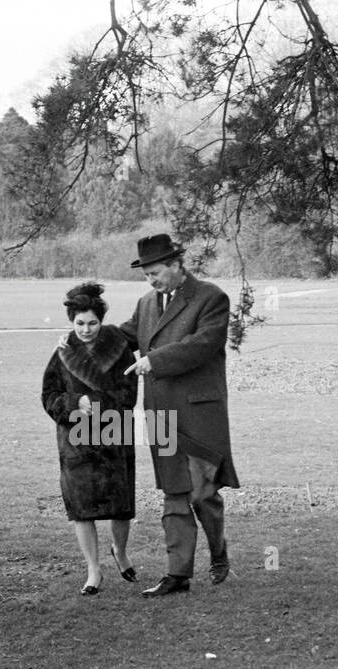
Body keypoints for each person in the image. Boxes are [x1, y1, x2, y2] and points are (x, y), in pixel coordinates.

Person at [118, 234, 240, 597]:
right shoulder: (146, 303)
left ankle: (218, 552)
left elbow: (202, 345)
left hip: (199, 414)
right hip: (160, 412)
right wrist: (81, 340)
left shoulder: (211, 298)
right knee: (174, 495)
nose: (151, 280)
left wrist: (154, 360)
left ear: (175, 265)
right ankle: (178, 575)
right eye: (146, 275)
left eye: (155, 272)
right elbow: (124, 335)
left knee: (202, 494)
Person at [41, 282, 138, 596]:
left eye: (92, 323)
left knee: (120, 505)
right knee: (82, 507)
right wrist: (72, 405)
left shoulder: (119, 348)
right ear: (71, 322)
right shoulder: (62, 351)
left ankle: (120, 553)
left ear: (102, 320)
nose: (86, 329)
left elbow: (129, 393)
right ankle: (93, 570)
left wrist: (94, 403)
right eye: (79, 324)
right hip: (76, 438)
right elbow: (49, 394)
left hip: (114, 431)